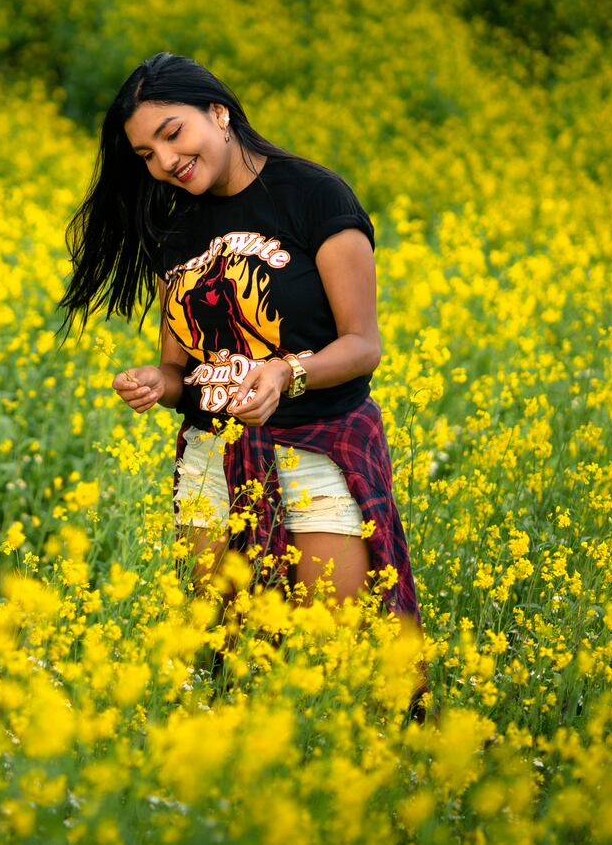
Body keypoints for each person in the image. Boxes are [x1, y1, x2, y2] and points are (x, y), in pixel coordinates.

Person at [56, 52, 428, 721]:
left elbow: (362, 345)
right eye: (145, 153)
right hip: (213, 460)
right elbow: (181, 371)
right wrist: (155, 382)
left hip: (316, 453)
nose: (164, 161)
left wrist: (287, 372)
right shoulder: (173, 224)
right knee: (233, 663)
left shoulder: (313, 196)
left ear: (219, 114)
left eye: (172, 134)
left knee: (345, 659)